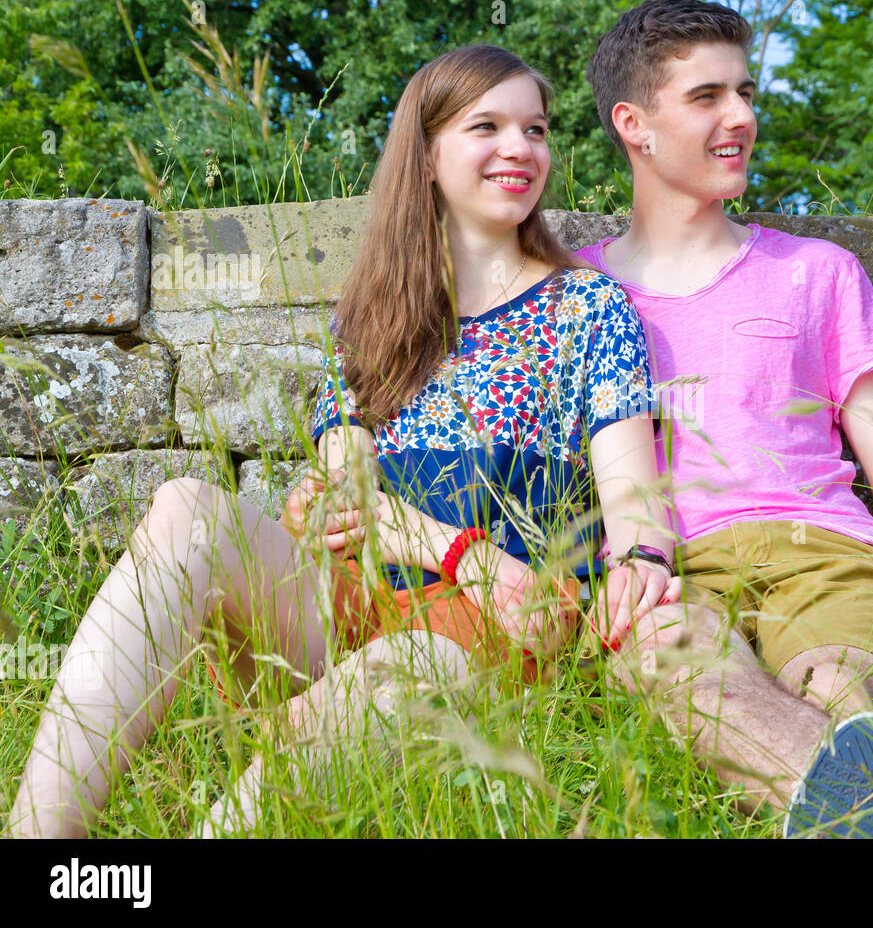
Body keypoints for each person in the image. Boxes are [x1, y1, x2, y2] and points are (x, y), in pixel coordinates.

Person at [5, 44, 677, 838]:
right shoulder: (373, 319)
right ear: (425, 156)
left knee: (386, 680)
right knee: (186, 508)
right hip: (364, 599)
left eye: (535, 129)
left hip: (492, 625)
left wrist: (636, 566)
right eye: (486, 126)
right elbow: (343, 500)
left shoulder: (589, 307)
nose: (520, 149)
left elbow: (637, 511)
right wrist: (468, 552)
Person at [575, 0, 873, 838]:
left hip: (832, 556)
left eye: (746, 93)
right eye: (707, 97)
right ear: (633, 124)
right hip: (676, 573)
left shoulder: (817, 273)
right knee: (679, 667)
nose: (741, 117)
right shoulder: (575, 297)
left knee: (831, 685)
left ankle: (864, 806)